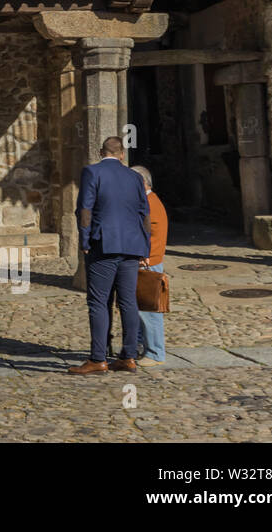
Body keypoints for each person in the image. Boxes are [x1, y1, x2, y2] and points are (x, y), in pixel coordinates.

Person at [67, 136, 150, 375]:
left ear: (100, 151)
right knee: (128, 302)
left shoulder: (92, 172)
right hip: (132, 246)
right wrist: (144, 248)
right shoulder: (135, 177)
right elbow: (144, 213)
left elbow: (85, 209)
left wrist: (84, 241)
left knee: (99, 301)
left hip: (104, 244)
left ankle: (97, 358)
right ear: (122, 154)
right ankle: (129, 356)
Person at [131, 165, 168, 366]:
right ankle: (140, 346)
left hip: (148, 262)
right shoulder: (148, 201)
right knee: (140, 309)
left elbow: (149, 236)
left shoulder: (149, 203)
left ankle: (155, 352)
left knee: (149, 310)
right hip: (147, 261)